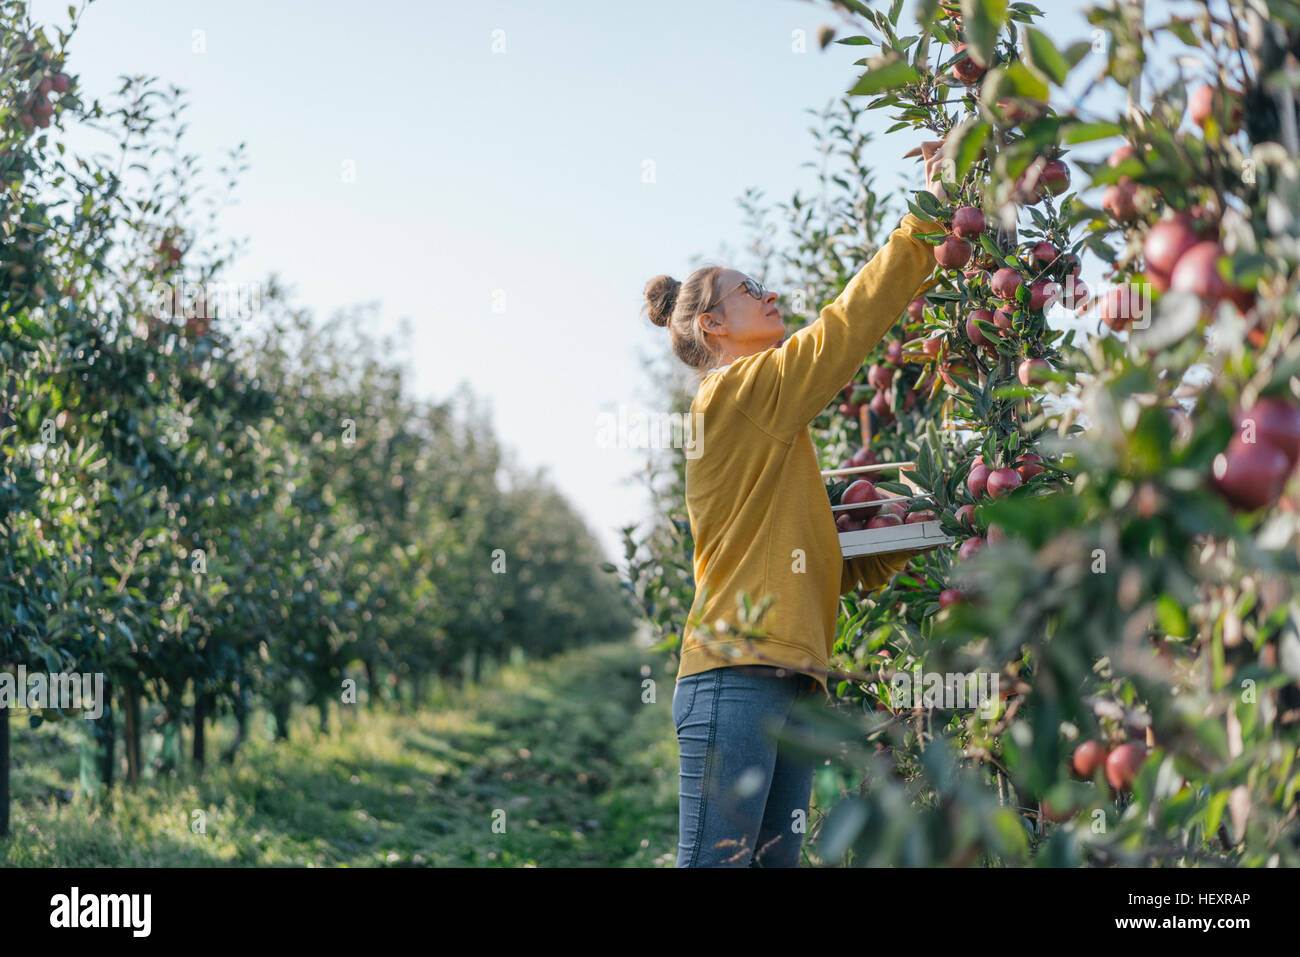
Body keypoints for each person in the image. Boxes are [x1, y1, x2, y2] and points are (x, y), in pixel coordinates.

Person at [641, 139, 950, 867]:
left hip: (793, 678)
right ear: (713, 326)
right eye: (750, 289)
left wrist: (909, 531)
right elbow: (843, 335)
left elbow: (818, 567)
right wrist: (923, 224)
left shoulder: (772, 426)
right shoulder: (738, 393)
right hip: (734, 678)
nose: (770, 294)